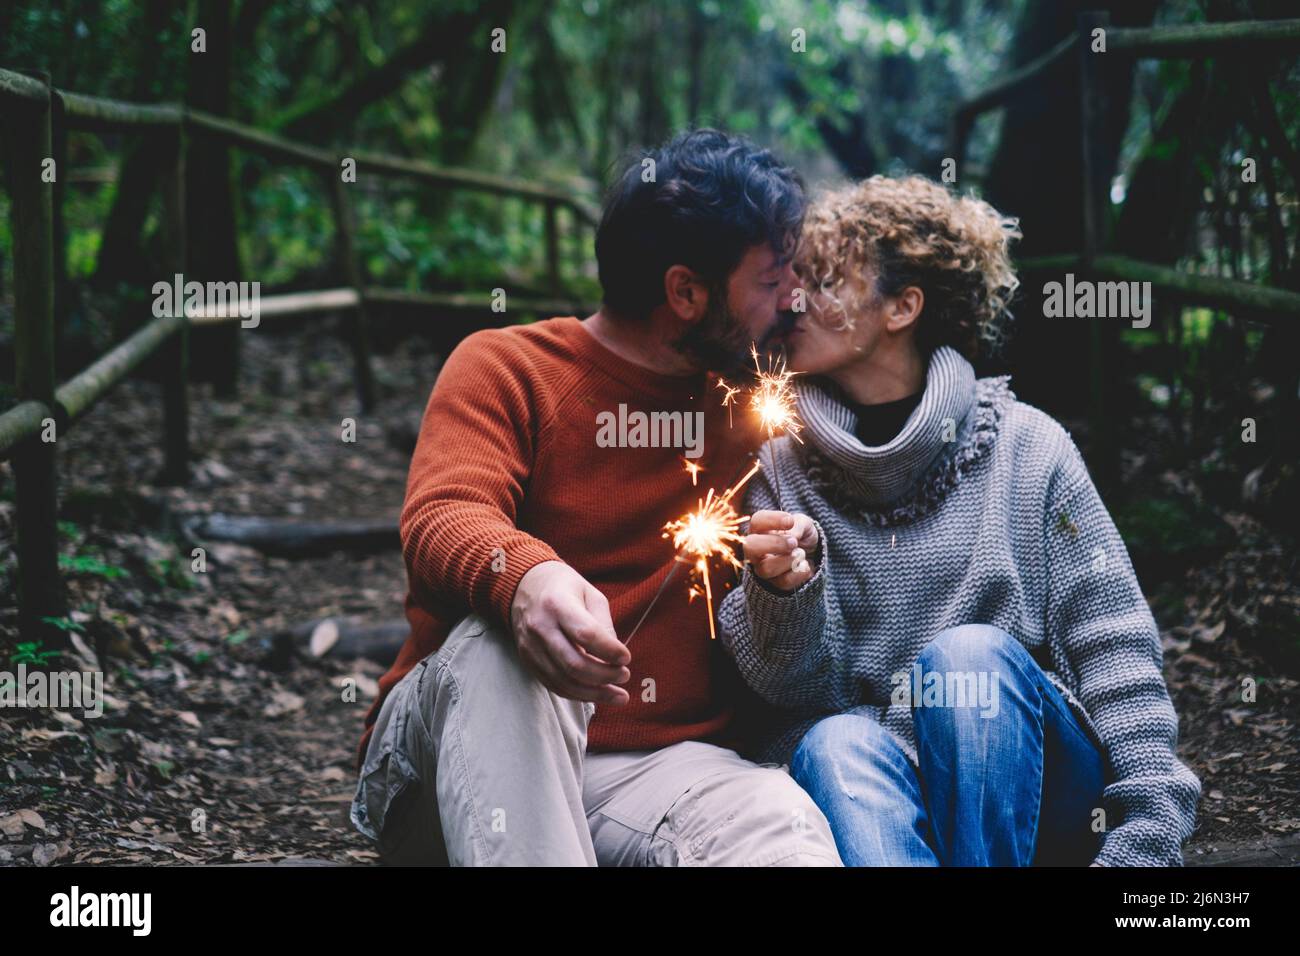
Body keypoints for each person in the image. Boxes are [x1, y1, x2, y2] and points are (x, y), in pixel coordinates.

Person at [350, 129, 843, 866]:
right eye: (771, 281)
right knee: (497, 649)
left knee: (779, 823)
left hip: (655, 772)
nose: (790, 300)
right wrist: (527, 578)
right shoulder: (508, 367)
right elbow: (441, 512)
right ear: (685, 292)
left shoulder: (748, 405)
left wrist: (788, 578)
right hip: (448, 757)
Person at [717, 174, 1202, 866]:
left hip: (1043, 797)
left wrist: (1148, 833)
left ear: (903, 307)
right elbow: (796, 697)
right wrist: (785, 596)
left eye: (826, 284)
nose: (795, 302)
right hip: (883, 796)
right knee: (831, 740)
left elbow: (1114, 649)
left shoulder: (1029, 447)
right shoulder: (776, 470)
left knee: (964, 661)